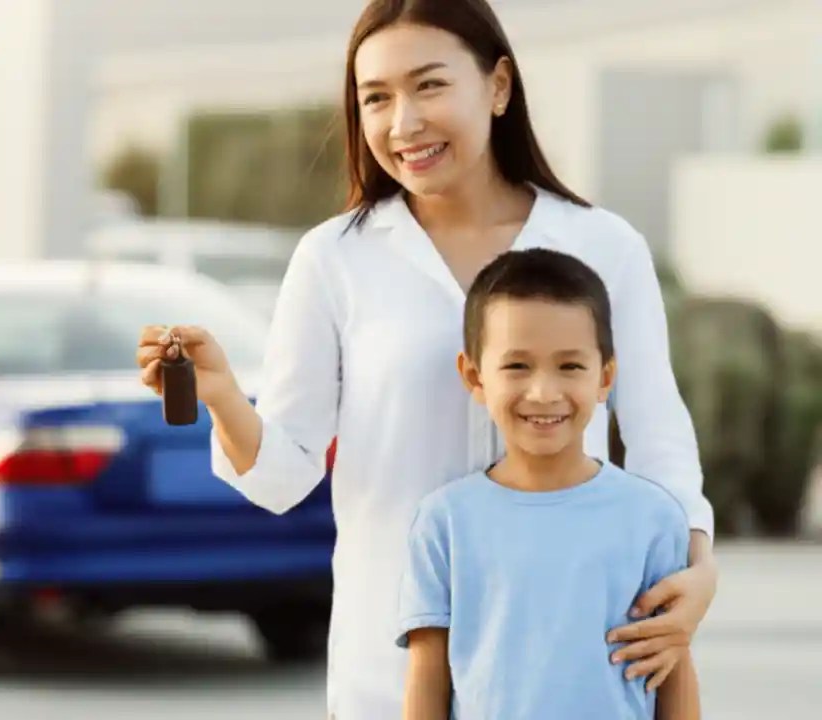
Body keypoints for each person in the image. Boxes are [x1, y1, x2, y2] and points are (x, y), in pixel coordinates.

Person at [136, 0, 717, 716]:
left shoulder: (605, 246)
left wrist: (698, 568)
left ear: (498, 86)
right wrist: (224, 395)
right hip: (388, 675)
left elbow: (661, 443)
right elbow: (283, 477)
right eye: (375, 97)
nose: (402, 122)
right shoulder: (334, 260)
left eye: (429, 85)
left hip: (574, 672)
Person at [396, 248, 701, 720]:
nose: (543, 392)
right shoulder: (445, 523)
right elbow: (428, 676)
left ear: (605, 377)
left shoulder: (653, 518)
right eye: (517, 366)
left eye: (570, 367)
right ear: (474, 376)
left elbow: (674, 671)